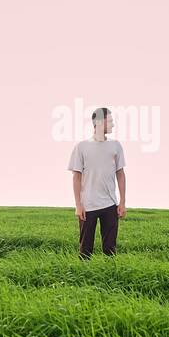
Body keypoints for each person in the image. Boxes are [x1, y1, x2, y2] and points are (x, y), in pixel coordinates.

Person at [67, 106, 127, 259]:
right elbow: (76, 177)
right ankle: (84, 280)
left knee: (110, 251)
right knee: (85, 250)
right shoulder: (82, 147)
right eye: (110, 121)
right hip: (88, 206)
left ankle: (109, 279)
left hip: (110, 205)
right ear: (99, 122)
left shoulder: (116, 146)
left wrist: (122, 202)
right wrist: (78, 205)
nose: (113, 124)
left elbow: (120, 174)